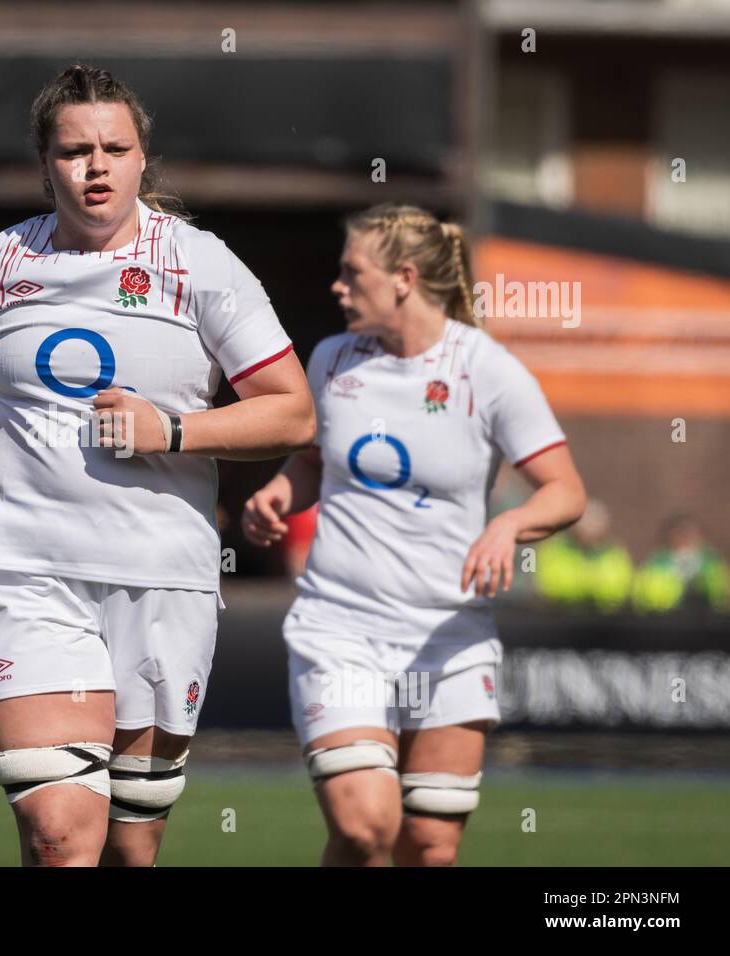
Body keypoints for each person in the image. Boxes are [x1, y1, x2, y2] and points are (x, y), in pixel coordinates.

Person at [0, 64, 315, 867]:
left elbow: (292, 410)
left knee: (129, 846)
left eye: (114, 149)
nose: (96, 166)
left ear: (141, 157)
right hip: (22, 569)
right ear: (44, 162)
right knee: (59, 835)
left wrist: (175, 429)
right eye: (74, 150)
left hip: (161, 575)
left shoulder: (200, 264)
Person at [242, 203, 586, 866]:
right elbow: (313, 461)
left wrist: (510, 523)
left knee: (428, 846)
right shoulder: (333, 359)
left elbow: (566, 491)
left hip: (449, 637)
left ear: (403, 278)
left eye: (351, 273)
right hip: (340, 630)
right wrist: (282, 491)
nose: (337, 288)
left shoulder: (487, 370)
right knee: (367, 826)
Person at [632, 513, 730, 613]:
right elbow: (644, 599)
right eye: (683, 535)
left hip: (708, 622)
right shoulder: (656, 565)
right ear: (671, 537)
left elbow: (722, 596)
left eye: (692, 536)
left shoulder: (712, 563)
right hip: (665, 621)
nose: (688, 541)